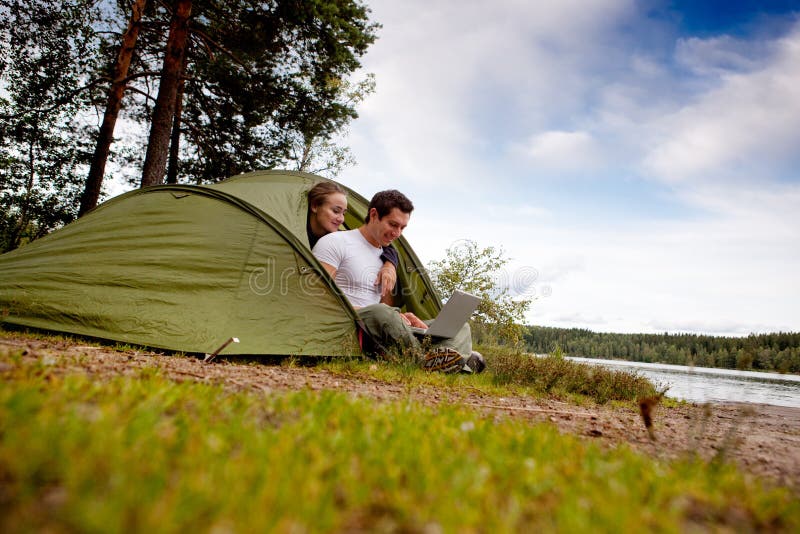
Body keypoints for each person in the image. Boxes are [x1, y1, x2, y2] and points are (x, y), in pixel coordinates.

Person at [312, 189, 484, 373]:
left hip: (383, 327)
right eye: (393, 224)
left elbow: (386, 306)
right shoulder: (334, 243)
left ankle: (441, 360)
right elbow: (321, 298)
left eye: (402, 228)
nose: (397, 233)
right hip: (353, 321)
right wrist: (390, 314)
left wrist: (406, 319)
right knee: (381, 312)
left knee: (460, 326)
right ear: (374, 214)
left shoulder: (388, 257)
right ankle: (442, 361)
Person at [307, 181, 398, 298]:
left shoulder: (337, 238)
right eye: (335, 211)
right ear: (315, 206)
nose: (341, 219)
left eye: (343, 213)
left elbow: (388, 248)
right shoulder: (299, 235)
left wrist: (390, 265)